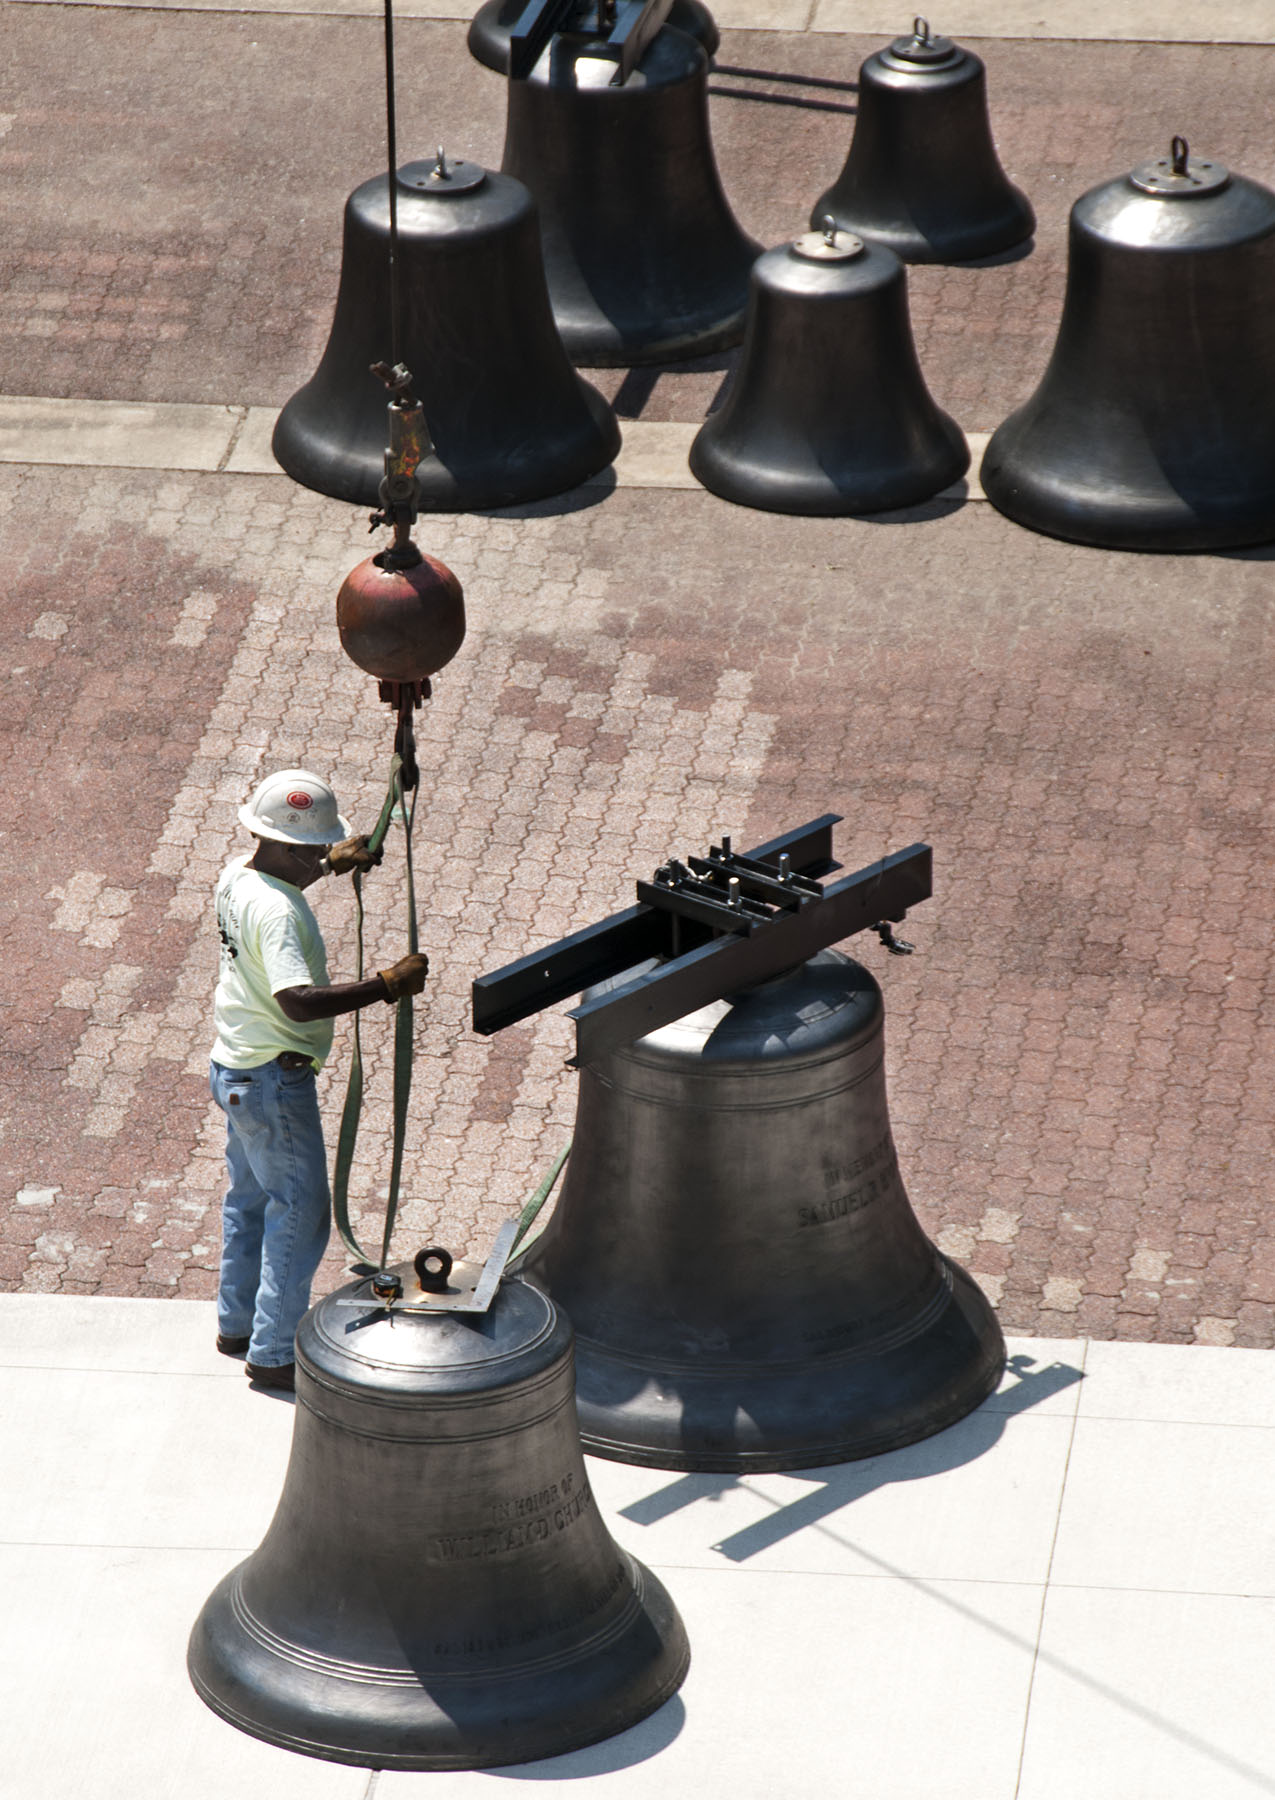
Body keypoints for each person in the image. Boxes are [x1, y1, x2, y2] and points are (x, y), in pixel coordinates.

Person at [209, 768, 428, 1391]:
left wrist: (331, 861)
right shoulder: (278, 914)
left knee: (249, 1201)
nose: (315, 862)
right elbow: (297, 1001)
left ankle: (239, 1325)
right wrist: (385, 986)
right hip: (274, 1080)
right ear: (279, 846)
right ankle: (275, 1353)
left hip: (234, 1067)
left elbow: (285, 871)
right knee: (300, 1215)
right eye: (310, 851)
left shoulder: (238, 873)